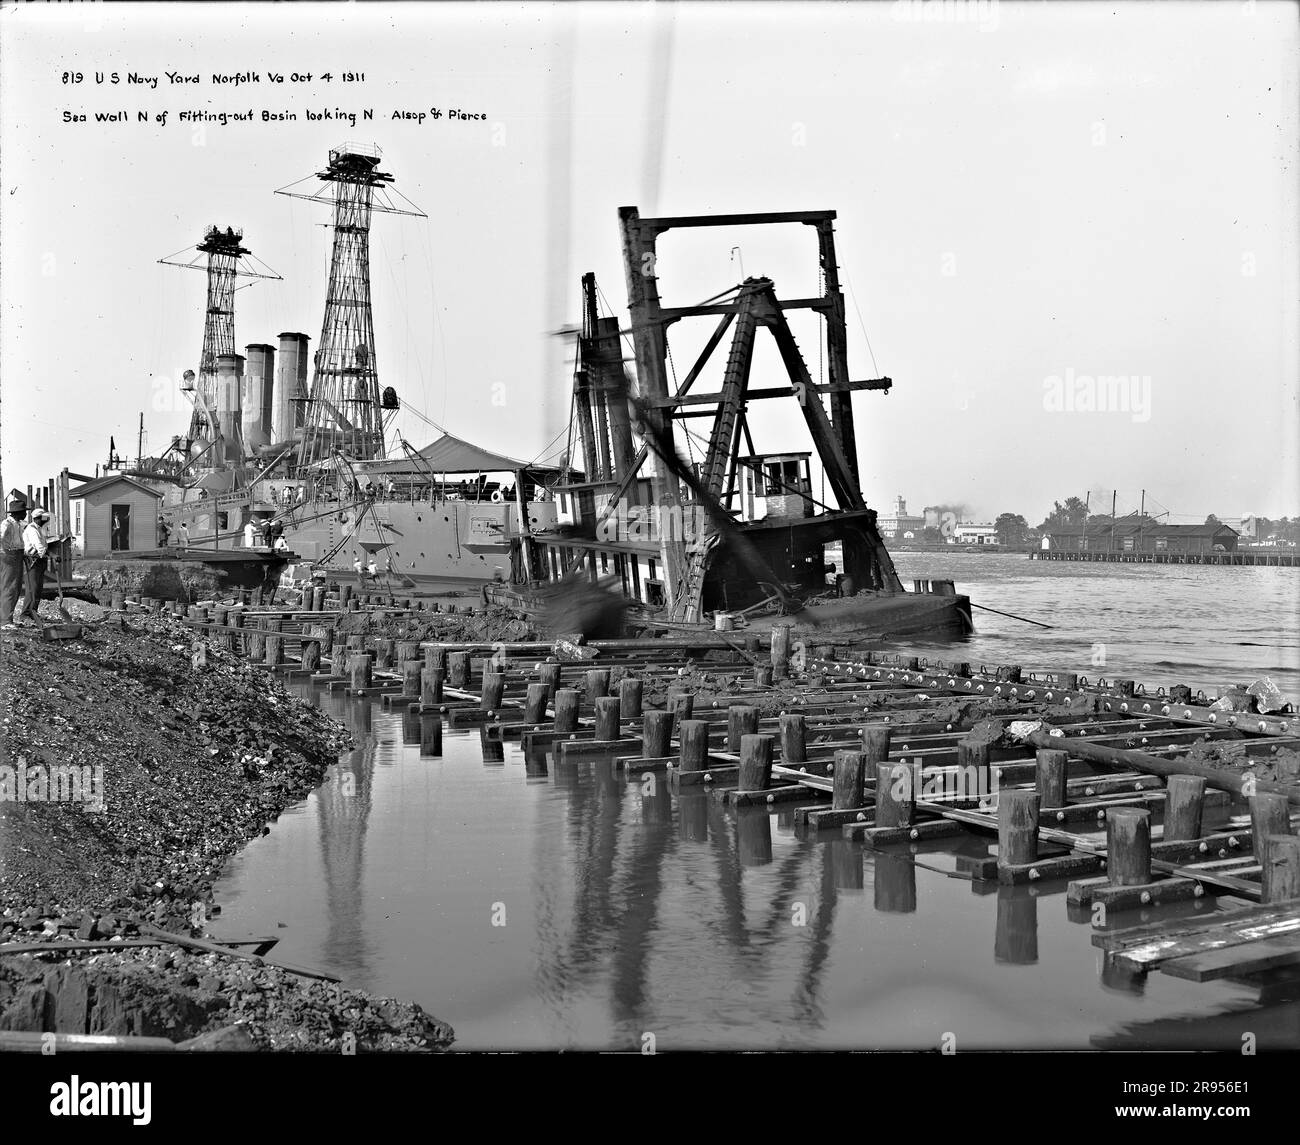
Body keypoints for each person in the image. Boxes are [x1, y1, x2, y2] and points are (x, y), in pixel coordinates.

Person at [20, 508, 51, 625]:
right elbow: (39, 546)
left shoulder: (39, 529)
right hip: (32, 560)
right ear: (37, 518)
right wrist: (49, 554)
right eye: (43, 518)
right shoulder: (32, 530)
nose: (46, 520)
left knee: (38, 588)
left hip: (40, 560)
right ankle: (25, 614)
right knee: (32, 588)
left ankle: (33, 611)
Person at [0, 498, 27, 629]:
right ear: (17, 512)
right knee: (9, 588)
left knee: (15, 588)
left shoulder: (17, 524)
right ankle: (5, 621)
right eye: (24, 512)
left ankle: (8, 618)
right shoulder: (7, 524)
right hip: (9, 555)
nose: (25, 514)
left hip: (17, 554)